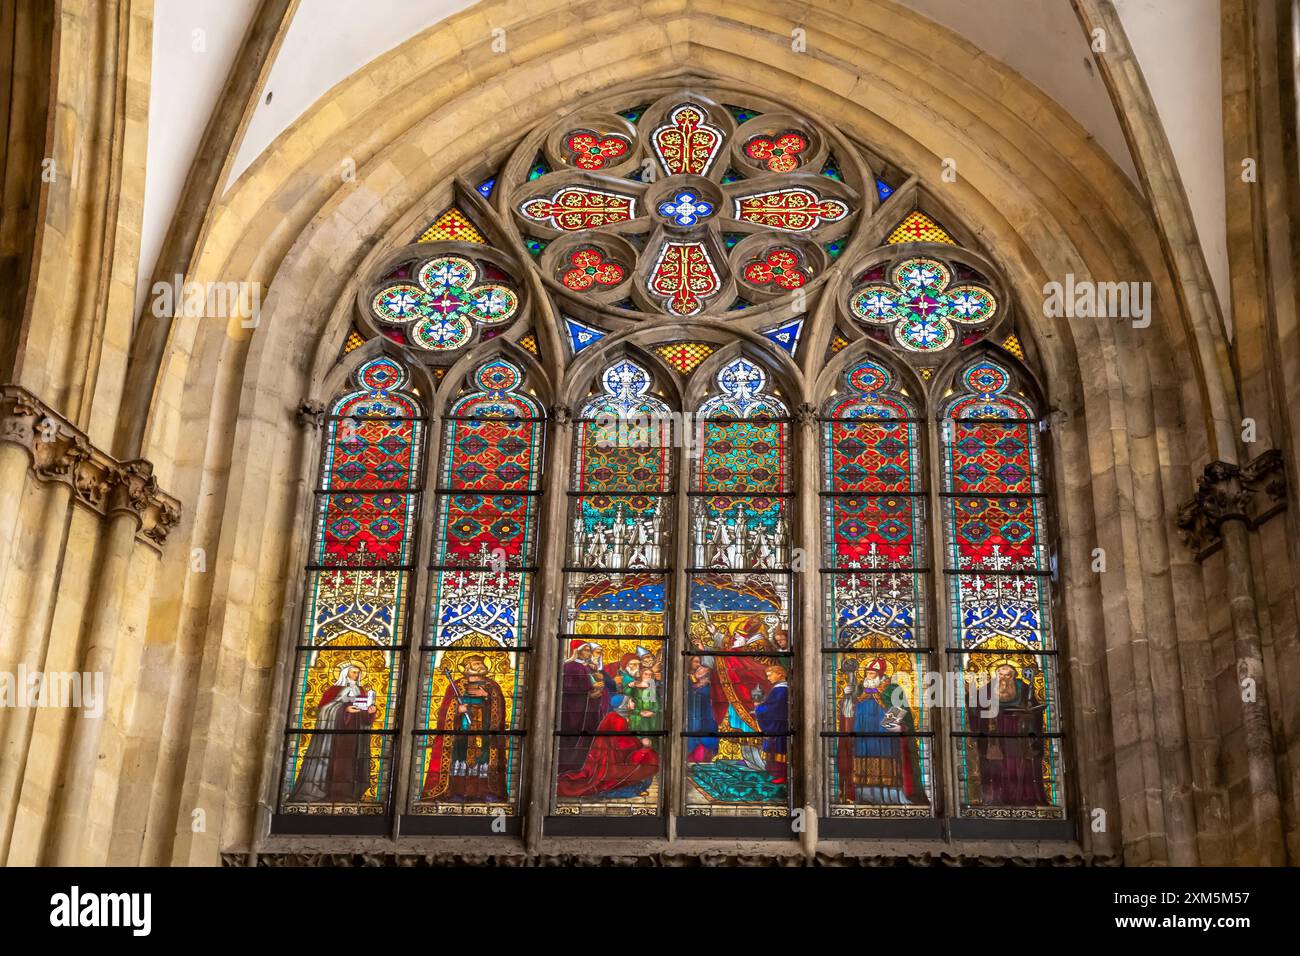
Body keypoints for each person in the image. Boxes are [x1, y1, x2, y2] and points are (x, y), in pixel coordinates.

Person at [838, 658, 926, 805]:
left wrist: (896, 726)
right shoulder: (859, 689)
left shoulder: (892, 689)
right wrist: (847, 696)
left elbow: (900, 709)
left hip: (885, 737)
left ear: (880, 674)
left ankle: (890, 796)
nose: (868, 675)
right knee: (861, 765)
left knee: (887, 765)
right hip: (862, 735)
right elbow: (848, 711)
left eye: (872, 673)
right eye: (867, 672)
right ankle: (862, 796)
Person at [421, 655, 508, 802]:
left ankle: (486, 792)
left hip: (484, 734)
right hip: (462, 733)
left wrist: (487, 696)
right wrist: (457, 711)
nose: (479, 666)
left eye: (480, 663)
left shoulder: (492, 686)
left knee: (483, 762)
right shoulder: (456, 686)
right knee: (459, 761)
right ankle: (457, 792)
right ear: (467, 667)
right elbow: (444, 713)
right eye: (476, 663)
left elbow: (499, 709)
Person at [289, 662, 377, 804]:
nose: (356, 675)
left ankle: (349, 794)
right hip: (335, 736)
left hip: (355, 737)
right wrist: (344, 710)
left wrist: (371, 712)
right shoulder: (333, 690)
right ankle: (330, 793)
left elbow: (366, 717)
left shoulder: (360, 690)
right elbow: (322, 711)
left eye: (358, 673)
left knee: (352, 764)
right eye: (354, 672)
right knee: (335, 762)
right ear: (346, 673)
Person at [967, 663, 1049, 806]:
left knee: (1018, 764)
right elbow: (976, 705)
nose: (1003, 678)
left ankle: (1023, 797)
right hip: (995, 734)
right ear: (995, 675)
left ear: (1013, 676)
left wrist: (1030, 714)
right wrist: (970, 696)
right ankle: (995, 797)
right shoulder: (987, 690)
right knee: (997, 765)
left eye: (1007, 675)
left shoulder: (1024, 688)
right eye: (1000, 674)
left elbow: (1035, 710)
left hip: (1018, 732)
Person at [555, 695, 659, 797]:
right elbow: (621, 742)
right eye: (631, 701)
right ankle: (637, 787)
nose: (633, 703)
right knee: (647, 758)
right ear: (624, 704)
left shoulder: (614, 716)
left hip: (610, 757)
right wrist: (640, 743)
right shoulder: (618, 719)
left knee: (644, 756)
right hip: (610, 761)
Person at [558, 641, 614, 773]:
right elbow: (566, 687)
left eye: (589, 650)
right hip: (573, 709)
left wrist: (595, 688)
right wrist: (591, 687)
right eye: (586, 650)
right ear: (577, 651)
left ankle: (581, 766)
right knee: (572, 737)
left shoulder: (585, 666)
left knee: (586, 737)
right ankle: (568, 767)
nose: (589, 653)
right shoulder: (569, 666)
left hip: (586, 708)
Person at [754, 664, 789, 784]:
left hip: (778, 726)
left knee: (778, 749)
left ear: (780, 674)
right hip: (776, 724)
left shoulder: (781, 690)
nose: (768, 678)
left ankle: (781, 775)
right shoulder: (779, 689)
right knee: (774, 748)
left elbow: (773, 708)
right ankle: (774, 773)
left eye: (770, 675)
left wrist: (758, 709)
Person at [685, 656, 719, 762]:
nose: (699, 667)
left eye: (702, 666)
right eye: (697, 663)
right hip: (691, 720)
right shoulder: (688, 682)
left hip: (706, 720)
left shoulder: (709, 686)